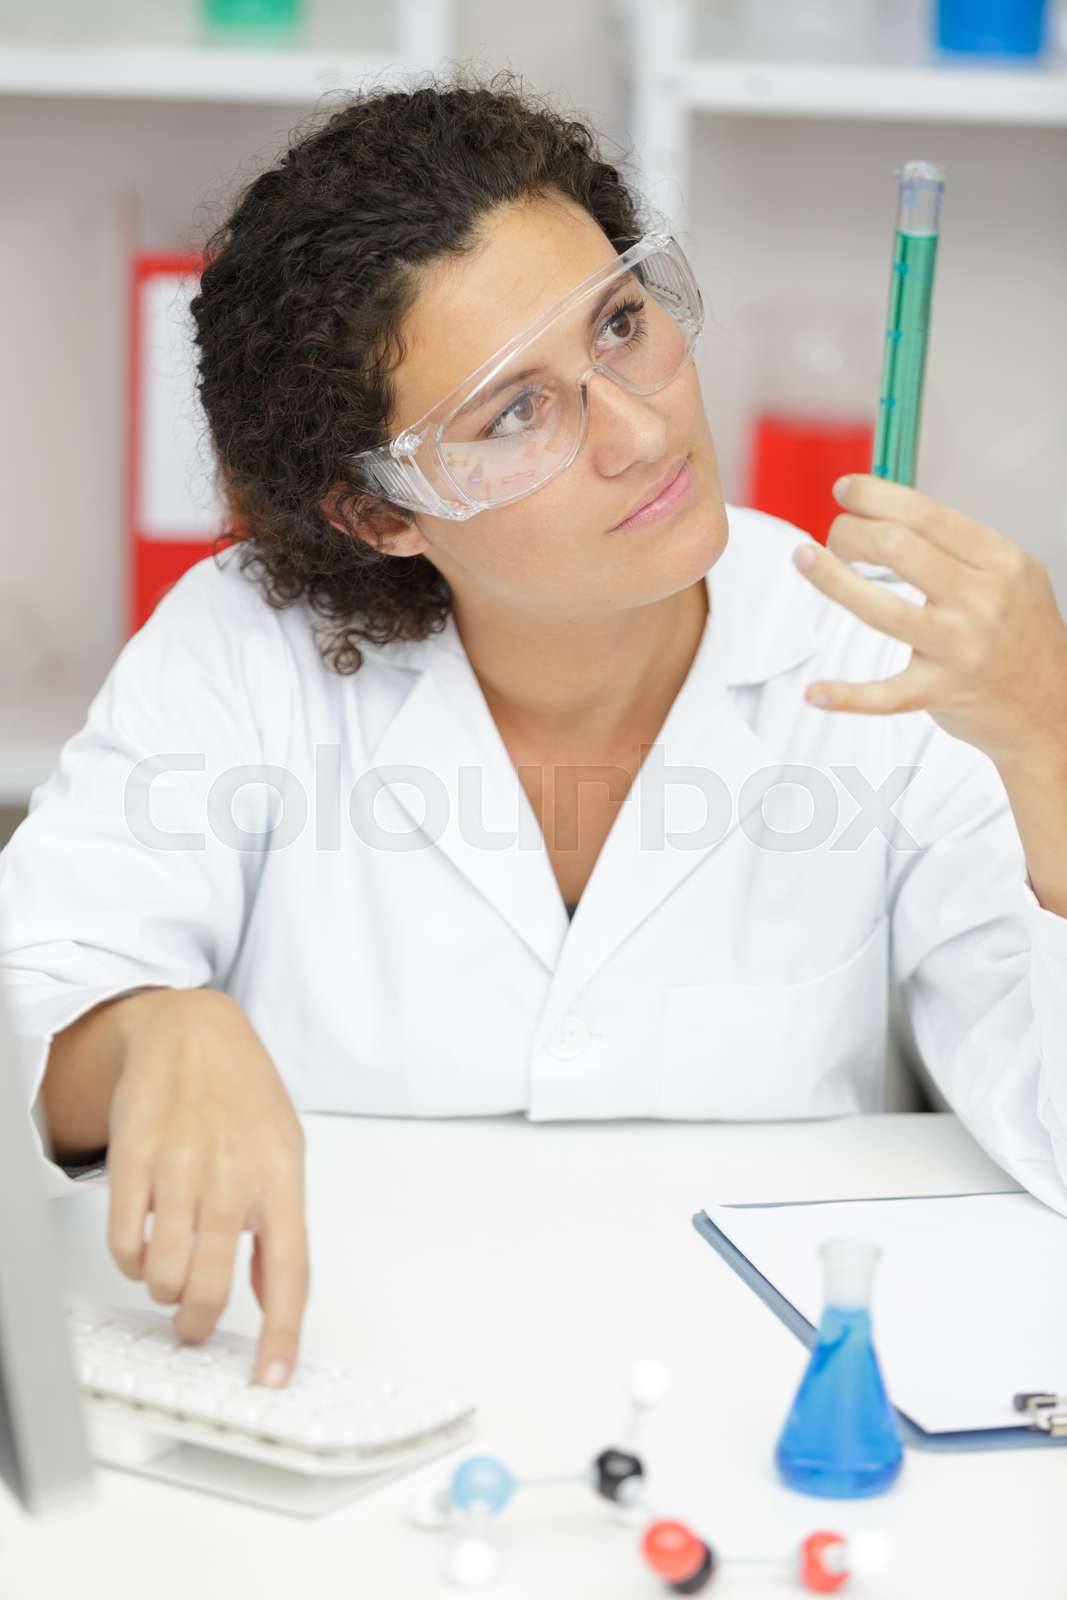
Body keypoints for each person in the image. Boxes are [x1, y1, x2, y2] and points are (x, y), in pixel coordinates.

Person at [3, 71, 1067, 1393]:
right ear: (381, 513)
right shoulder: (244, 651)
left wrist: (1051, 751)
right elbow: (27, 1019)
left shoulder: (884, 653)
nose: (639, 432)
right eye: (516, 411)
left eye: (620, 326)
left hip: (762, 1398)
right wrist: (153, 1027)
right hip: (352, 1380)